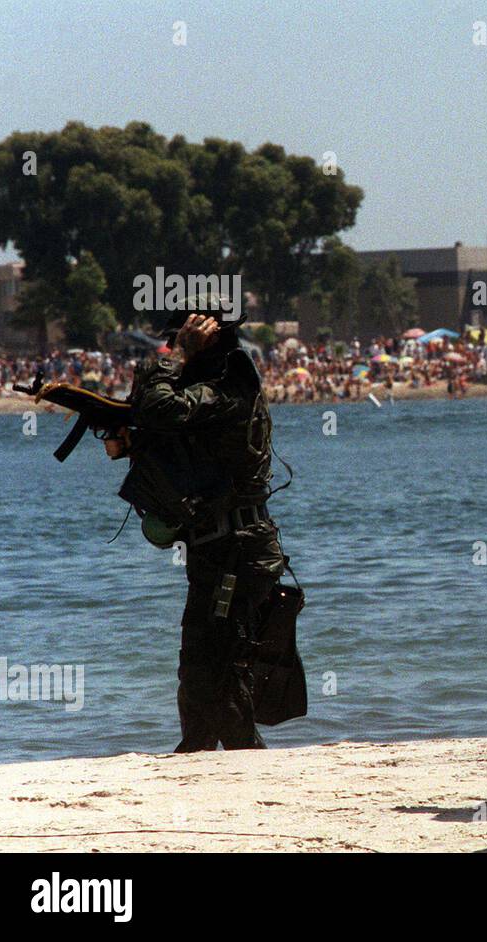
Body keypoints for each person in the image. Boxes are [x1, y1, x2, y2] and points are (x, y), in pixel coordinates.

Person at [106, 295, 292, 751]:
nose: (172, 346)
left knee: (223, 663)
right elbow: (152, 413)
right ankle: (196, 754)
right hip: (216, 547)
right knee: (197, 663)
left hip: (239, 549)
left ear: (207, 339)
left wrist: (178, 356)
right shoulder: (203, 387)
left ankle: (244, 761)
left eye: (181, 338)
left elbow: (162, 410)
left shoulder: (229, 387)